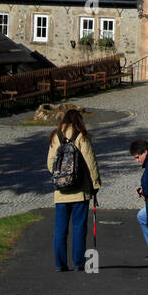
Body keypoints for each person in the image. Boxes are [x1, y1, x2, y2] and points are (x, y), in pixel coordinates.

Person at [46, 108, 102, 272]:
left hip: (61, 192)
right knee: (79, 227)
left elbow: (50, 163)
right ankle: (79, 262)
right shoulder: (81, 135)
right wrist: (95, 184)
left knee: (60, 229)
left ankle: (60, 263)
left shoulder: (55, 136)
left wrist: (62, 176)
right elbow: (90, 162)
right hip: (80, 190)